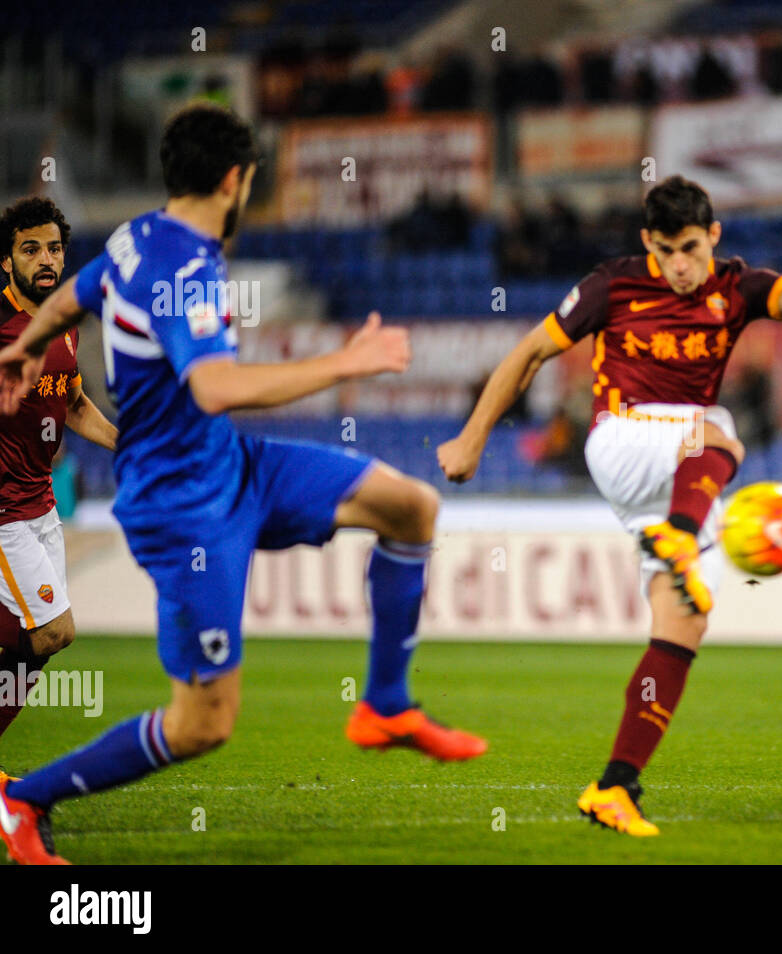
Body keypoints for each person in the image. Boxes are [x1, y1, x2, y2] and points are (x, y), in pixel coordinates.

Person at [0, 104, 485, 865]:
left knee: (410, 506)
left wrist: (27, 346)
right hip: (182, 509)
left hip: (232, 465)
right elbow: (217, 386)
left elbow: (78, 292)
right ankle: (23, 798)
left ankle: (385, 705)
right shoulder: (186, 267)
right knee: (202, 725)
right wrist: (344, 363)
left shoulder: (140, 236)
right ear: (236, 180)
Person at [437, 175, 782, 836]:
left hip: (676, 478)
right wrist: (471, 438)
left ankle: (616, 786)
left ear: (714, 236)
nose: (680, 266)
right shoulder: (611, 285)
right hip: (624, 441)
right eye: (666, 251)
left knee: (683, 621)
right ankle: (681, 535)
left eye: (691, 248)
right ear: (648, 243)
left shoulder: (743, 288)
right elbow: (530, 353)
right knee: (721, 431)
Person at [0, 198, 117, 760]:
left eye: (53, 248)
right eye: (30, 249)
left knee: (41, 644)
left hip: (41, 507)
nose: (45, 259)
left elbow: (70, 405)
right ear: (7, 261)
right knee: (53, 632)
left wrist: (125, 443)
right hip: (4, 516)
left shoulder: (64, 324)